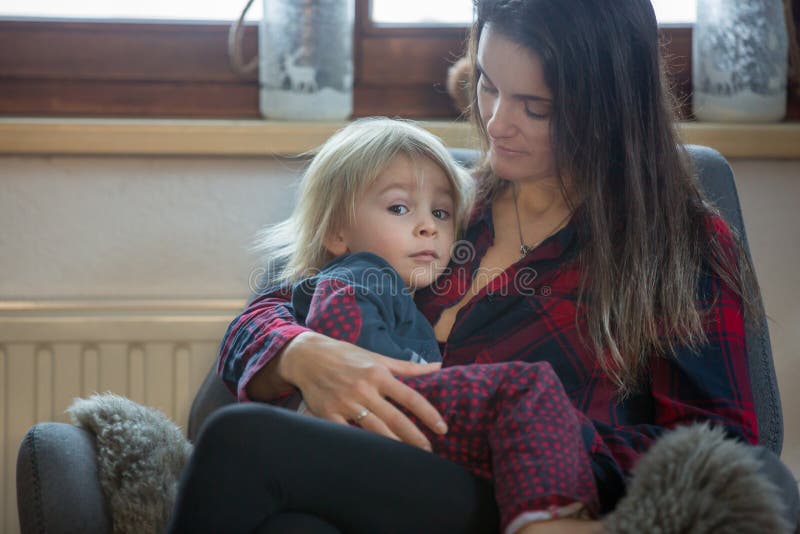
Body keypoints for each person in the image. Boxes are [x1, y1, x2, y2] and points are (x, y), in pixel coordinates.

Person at [171, 1, 798, 533]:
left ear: (609, 107)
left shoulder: (679, 242)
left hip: (508, 501)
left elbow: (725, 453)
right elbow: (272, 308)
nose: (497, 123)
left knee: (240, 444)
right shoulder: (443, 203)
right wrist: (304, 354)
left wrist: (545, 446)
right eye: (488, 84)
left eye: (537, 107)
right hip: (375, 475)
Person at [169, 117, 606, 534]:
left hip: (387, 467)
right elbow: (345, 335)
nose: (426, 228)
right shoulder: (360, 274)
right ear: (337, 232)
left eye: (440, 214)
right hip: (369, 419)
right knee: (526, 387)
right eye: (399, 208)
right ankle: (547, 514)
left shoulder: (401, 293)